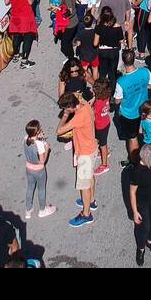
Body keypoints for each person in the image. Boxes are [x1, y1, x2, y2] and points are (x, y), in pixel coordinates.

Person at [55, 90, 97, 226]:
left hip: (84, 153)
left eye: (65, 109)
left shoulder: (78, 117)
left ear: (70, 107)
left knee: (84, 185)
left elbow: (59, 131)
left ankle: (86, 214)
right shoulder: (85, 104)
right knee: (90, 177)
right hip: (92, 147)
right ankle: (91, 200)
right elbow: (79, 95)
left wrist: (65, 115)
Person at [129, 142, 151, 266]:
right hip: (143, 203)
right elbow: (132, 192)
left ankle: (150, 242)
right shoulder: (138, 171)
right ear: (149, 158)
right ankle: (141, 249)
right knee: (144, 228)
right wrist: (135, 212)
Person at [22, 119, 56, 220]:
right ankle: (42, 210)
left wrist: (40, 138)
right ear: (37, 131)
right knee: (41, 189)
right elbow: (42, 161)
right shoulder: (39, 145)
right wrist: (47, 150)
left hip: (29, 168)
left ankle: (28, 210)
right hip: (39, 171)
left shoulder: (25, 139)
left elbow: (32, 142)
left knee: (30, 188)